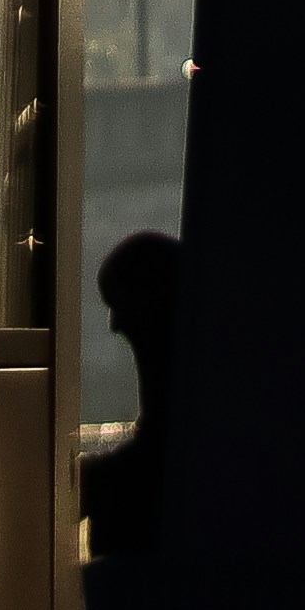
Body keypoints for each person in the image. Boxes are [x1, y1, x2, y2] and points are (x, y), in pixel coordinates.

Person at [83, 225, 180, 563]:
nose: (114, 324)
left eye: (119, 305)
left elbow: (162, 449)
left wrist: (94, 479)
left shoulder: (171, 358)